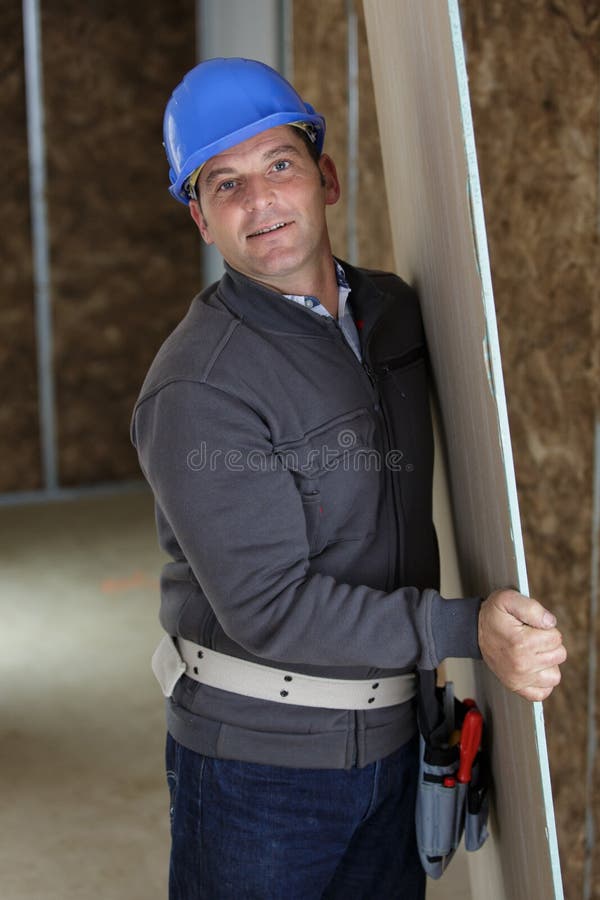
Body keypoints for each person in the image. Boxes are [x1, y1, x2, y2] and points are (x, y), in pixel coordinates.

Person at [131, 58, 566, 900]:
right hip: (261, 768)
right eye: (225, 184)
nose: (260, 201)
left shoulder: (396, 312)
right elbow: (272, 608)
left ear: (325, 176)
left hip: (399, 735)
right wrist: (468, 629)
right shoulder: (199, 388)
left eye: (279, 165)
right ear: (201, 219)